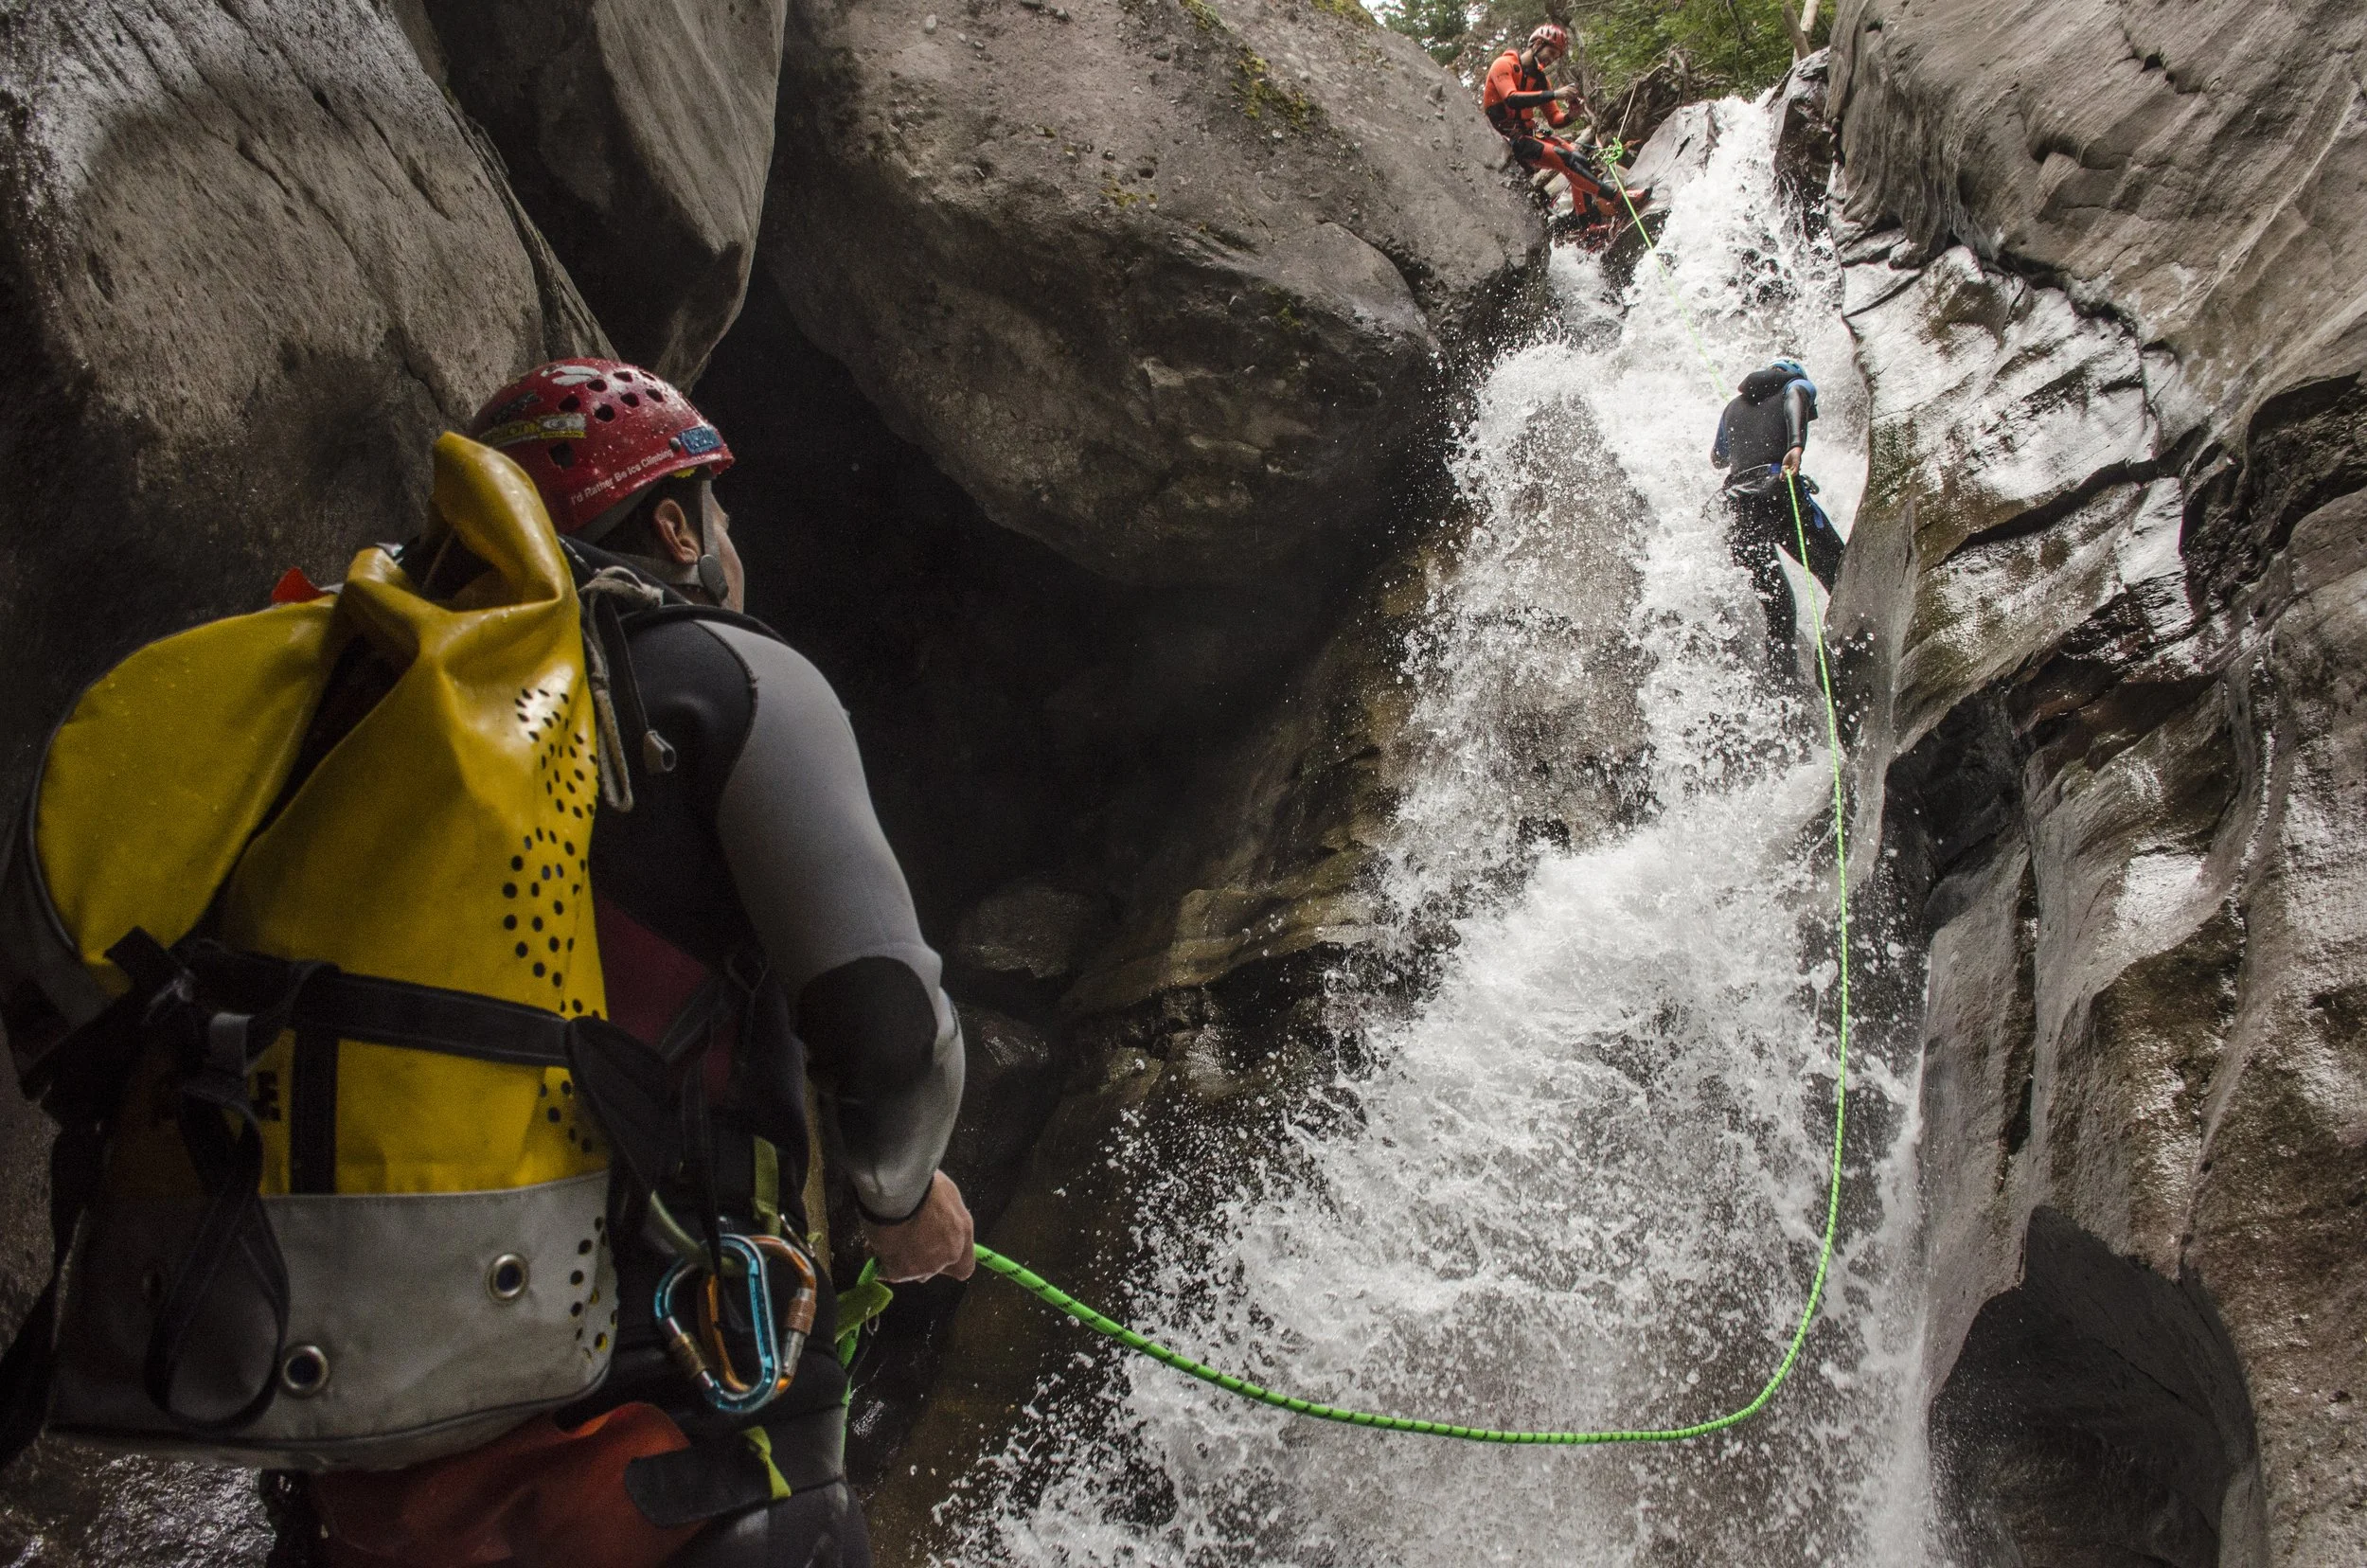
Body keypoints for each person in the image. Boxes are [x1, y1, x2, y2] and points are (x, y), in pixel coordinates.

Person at [309, 359, 977, 1567]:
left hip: (348, 1420)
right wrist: (897, 1199)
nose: (729, 542)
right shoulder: (720, 677)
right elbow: (888, 1026)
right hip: (659, 1411)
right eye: (718, 514)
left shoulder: (355, 718)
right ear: (674, 528)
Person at [1713, 356, 1846, 667]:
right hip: (1777, 495)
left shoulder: (1731, 407)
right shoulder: (1796, 384)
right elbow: (1797, 397)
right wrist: (1795, 445)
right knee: (1839, 572)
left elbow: (1718, 458)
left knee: (1779, 609)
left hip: (1737, 507)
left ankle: (1781, 681)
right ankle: (1848, 653)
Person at [1482, 24, 1647, 224]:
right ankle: (1618, 199)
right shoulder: (1503, 65)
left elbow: (1554, 119)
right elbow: (1512, 98)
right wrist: (1556, 94)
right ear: (1538, 43)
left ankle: (1587, 223)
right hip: (1507, 137)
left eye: (1555, 57)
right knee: (1563, 157)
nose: (1551, 60)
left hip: (1527, 134)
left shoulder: (1540, 80)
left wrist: (1571, 115)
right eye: (1551, 53)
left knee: (1579, 158)